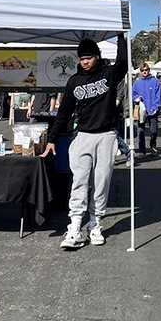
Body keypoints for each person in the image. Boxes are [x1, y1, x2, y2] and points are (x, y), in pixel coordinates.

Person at [41, 35, 127, 249]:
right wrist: (52, 139)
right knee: (79, 181)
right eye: (82, 59)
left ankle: (96, 225)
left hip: (106, 135)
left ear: (97, 57)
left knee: (101, 182)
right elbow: (64, 112)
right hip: (82, 136)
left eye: (89, 57)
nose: (85, 62)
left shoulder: (109, 74)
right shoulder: (74, 81)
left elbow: (124, 63)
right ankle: (75, 227)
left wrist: (121, 37)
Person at [132, 63, 161, 155]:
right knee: (141, 131)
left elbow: (158, 95)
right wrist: (137, 98)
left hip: (152, 110)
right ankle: (142, 150)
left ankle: (153, 146)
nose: (144, 72)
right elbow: (133, 94)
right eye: (142, 70)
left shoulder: (155, 81)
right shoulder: (137, 83)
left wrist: (155, 107)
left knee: (154, 130)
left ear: (149, 70)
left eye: (146, 70)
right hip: (141, 110)